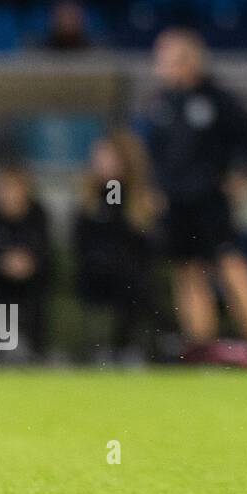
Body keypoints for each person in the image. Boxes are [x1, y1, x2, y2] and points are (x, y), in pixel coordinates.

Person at [140, 28, 247, 356]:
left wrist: (244, 176)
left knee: (230, 265)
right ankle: (201, 346)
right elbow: (152, 154)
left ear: (189, 62)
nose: (161, 67)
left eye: (168, 60)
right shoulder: (159, 104)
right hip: (174, 202)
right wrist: (152, 189)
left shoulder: (217, 100)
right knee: (187, 271)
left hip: (209, 199)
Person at [73, 131, 159, 361]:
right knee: (105, 274)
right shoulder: (89, 198)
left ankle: (129, 348)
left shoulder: (141, 199)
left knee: (132, 281)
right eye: (98, 157)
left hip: (132, 276)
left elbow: (149, 245)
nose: (100, 162)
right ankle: (102, 349)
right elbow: (82, 241)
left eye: (107, 157)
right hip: (97, 274)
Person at [0, 164, 54, 360]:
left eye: (15, 188)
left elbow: (44, 251)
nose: (10, 194)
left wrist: (27, 264)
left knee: (37, 292)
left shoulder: (38, 214)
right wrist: (3, 263)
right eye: (5, 188)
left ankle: (34, 350)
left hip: (32, 281)